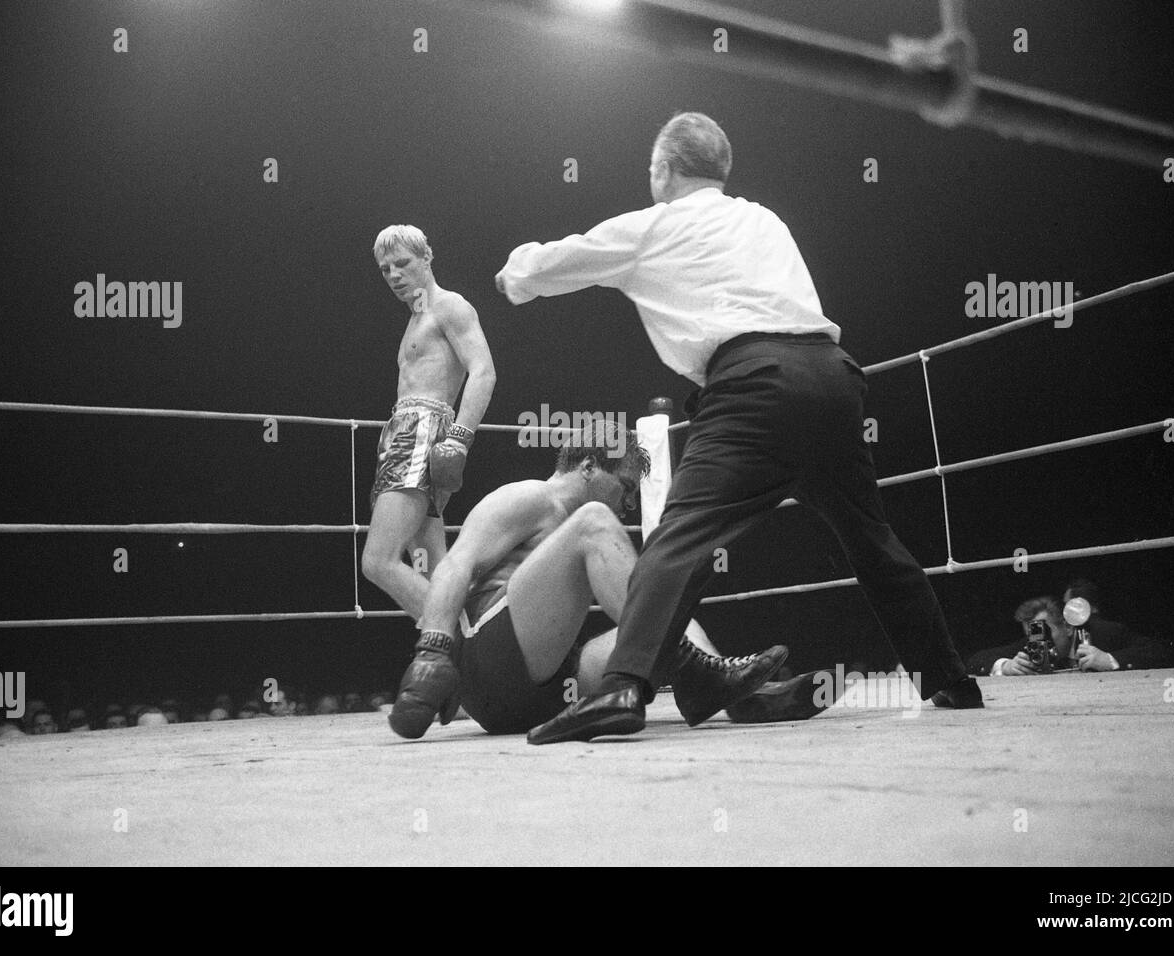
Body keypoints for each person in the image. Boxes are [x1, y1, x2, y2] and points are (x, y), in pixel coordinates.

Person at [494, 112, 979, 744]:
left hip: (754, 387)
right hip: (834, 379)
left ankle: (621, 690)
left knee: (678, 541)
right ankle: (949, 678)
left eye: (652, 169)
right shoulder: (765, 219)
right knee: (872, 540)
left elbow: (550, 266)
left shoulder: (657, 226)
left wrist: (511, 273)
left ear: (664, 170)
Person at [389, 422, 788, 740]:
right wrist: (433, 650)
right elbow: (456, 565)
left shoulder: (570, 533)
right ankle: (696, 675)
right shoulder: (531, 497)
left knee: (681, 622)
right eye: (627, 487)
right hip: (489, 664)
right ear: (589, 466)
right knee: (595, 521)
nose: (629, 505)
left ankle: (739, 699)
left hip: (546, 691)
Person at [362, 225, 497, 622]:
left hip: (422, 432)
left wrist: (459, 438)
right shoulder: (416, 319)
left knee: (378, 560)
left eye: (403, 264)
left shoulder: (449, 306)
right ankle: (458, 666)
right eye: (386, 269)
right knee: (428, 564)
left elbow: (484, 372)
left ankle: (463, 646)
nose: (394, 275)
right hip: (406, 434)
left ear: (427, 258)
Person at [968, 585, 1174, 676]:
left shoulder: (1103, 632)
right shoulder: (1033, 644)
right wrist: (1006, 666)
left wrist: (1111, 660)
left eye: (1043, 630)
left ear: (1068, 626)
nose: (1037, 640)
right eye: (1031, 633)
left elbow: (1168, 650)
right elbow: (976, 659)